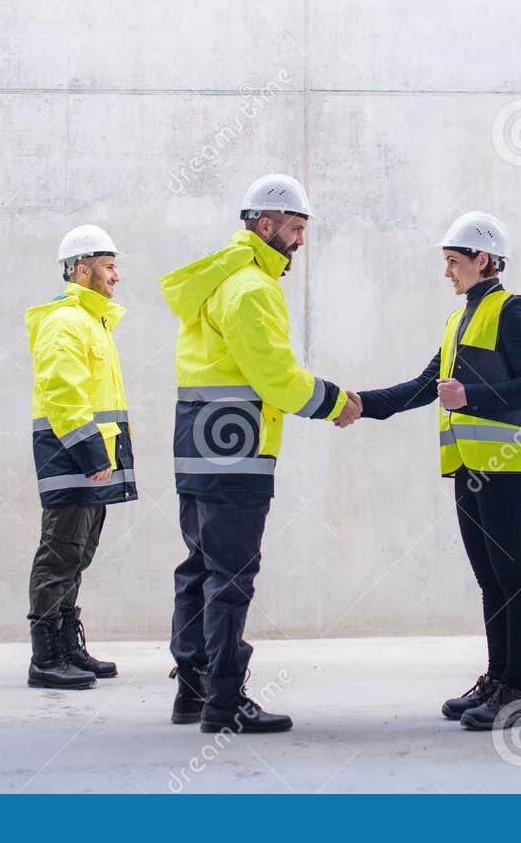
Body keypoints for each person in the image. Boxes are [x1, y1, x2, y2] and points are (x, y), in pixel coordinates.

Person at [161, 173, 361, 734]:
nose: (300, 240)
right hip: (237, 451)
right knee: (231, 576)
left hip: (198, 448)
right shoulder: (250, 287)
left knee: (199, 568)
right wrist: (334, 402)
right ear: (265, 225)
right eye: (295, 228)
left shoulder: (216, 281)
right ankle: (224, 705)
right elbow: (276, 378)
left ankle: (193, 693)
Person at [357, 212, 521, 730]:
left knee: (513, 576)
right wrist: (358, 403)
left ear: (482, 260)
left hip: (505, 467)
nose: (448, 272)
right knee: (490, 579)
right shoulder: (460, 319)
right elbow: (425, 385)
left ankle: (517, 693)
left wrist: (473, 397)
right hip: (467, 466)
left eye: (453, 262)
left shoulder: (512, 309)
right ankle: (496, 677)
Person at [23, 225, 139, 690]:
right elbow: (62, 391)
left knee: (79, 553)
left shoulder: (93, 323)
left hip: (90, 458)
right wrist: (91, 449)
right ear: (82, 269)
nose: (116, 277)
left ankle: (69, 647)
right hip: (71, 456)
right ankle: (46, 657)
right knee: (59, 553)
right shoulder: (66, 322)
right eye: (110, 267)